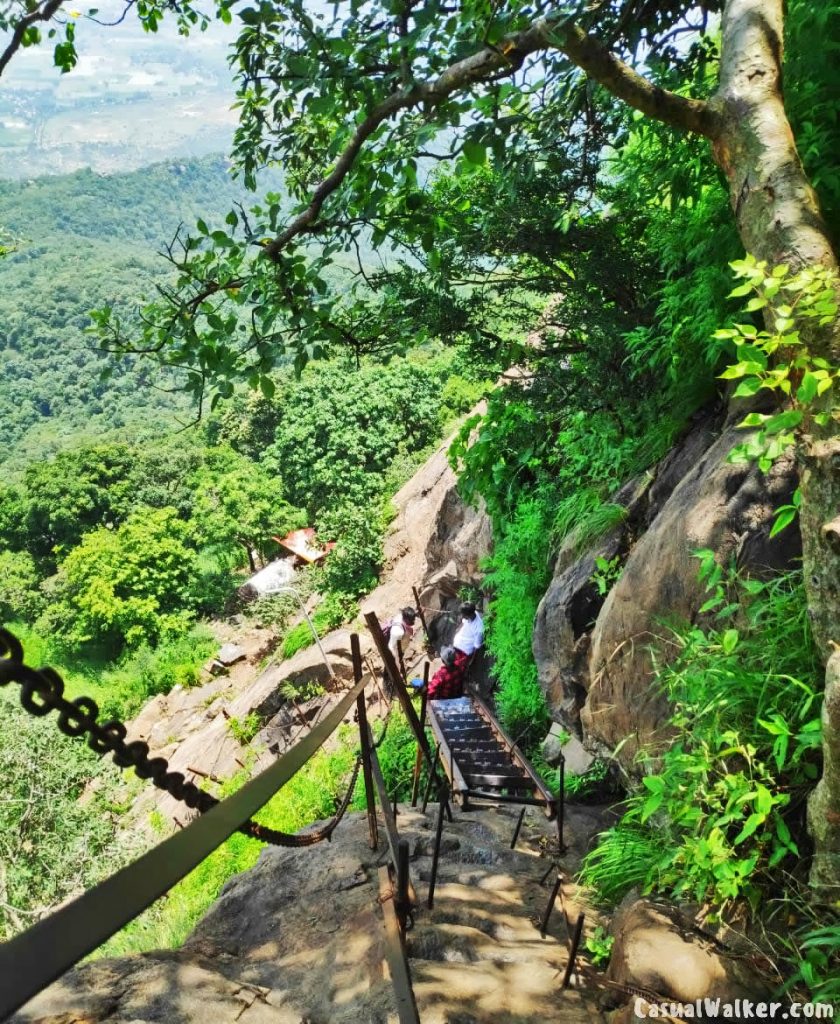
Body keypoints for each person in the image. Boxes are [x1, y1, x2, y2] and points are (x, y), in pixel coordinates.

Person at [426, 602, 484, 700]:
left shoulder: (479, 629)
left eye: (463, 615)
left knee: (455, 673)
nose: (462, 616)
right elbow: (463, 624)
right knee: (456, 672)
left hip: (464, 652)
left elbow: (477, 647)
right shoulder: (472, 615)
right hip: (457, 647)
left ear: (468, 614)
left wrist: (470, 662)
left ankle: (453, 690)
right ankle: (456, 691)